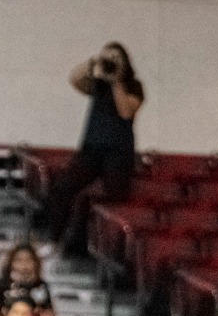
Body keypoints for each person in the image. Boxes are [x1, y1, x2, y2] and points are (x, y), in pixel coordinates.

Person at [36, 43, 143, 254]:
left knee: (113, 202)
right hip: (92, 148)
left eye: (116, 57)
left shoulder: (134, 86)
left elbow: (126, 112)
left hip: (118, 152)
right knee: (62, 187)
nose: (111, 60)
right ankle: (54, 239)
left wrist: (117, 82)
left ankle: (98, 248)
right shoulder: (98, 83)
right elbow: (74, 80)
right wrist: (93, 62)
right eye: (108, 55)